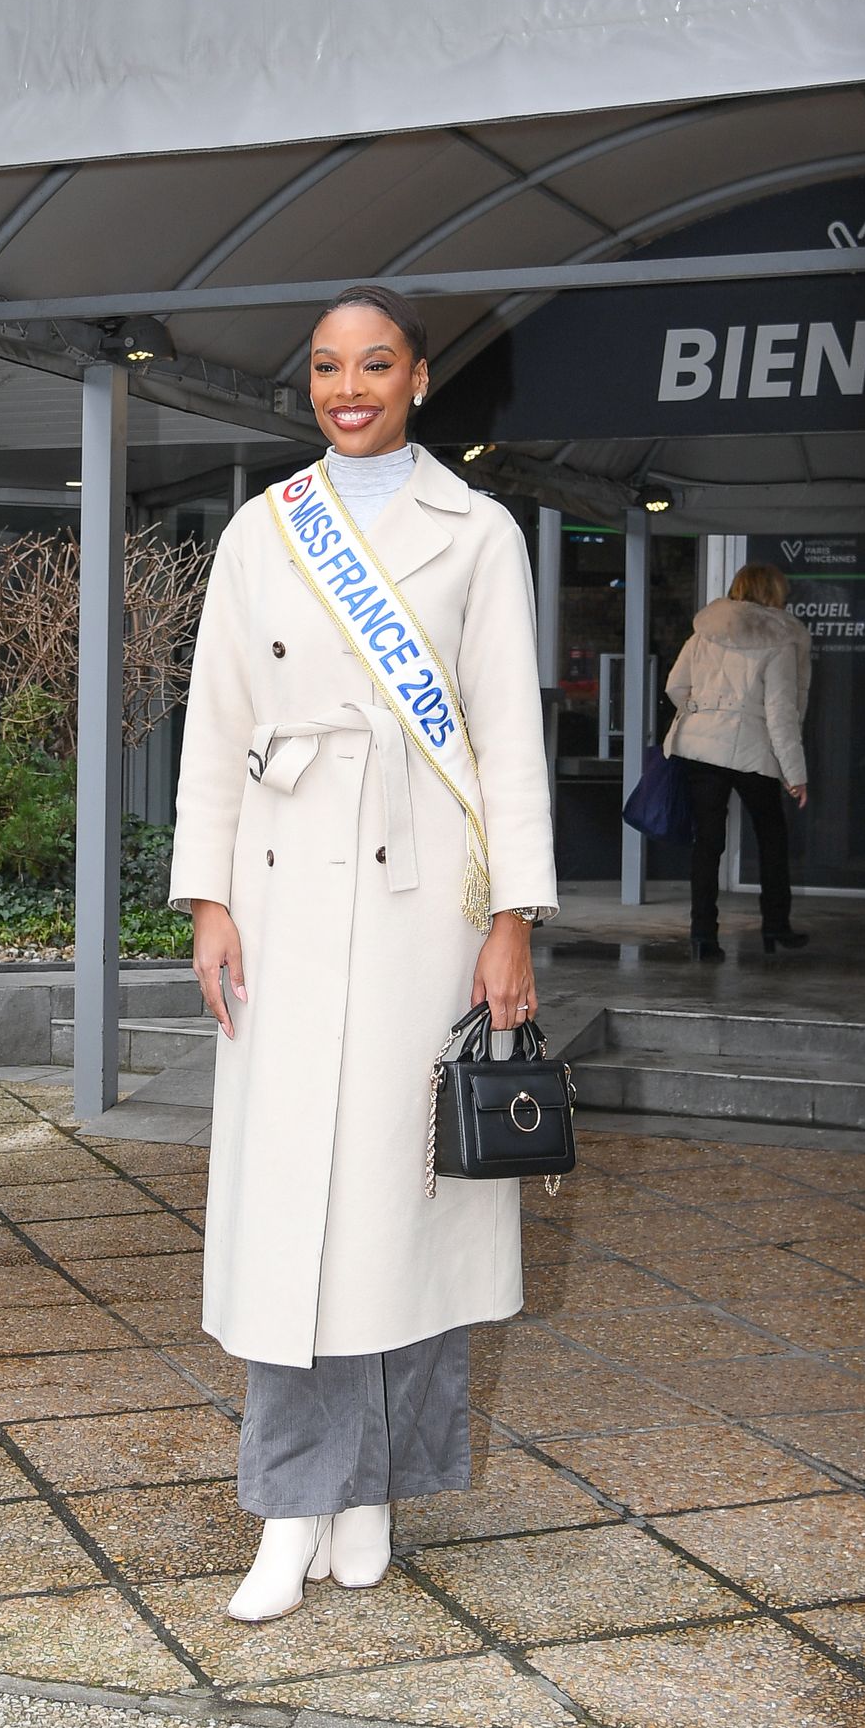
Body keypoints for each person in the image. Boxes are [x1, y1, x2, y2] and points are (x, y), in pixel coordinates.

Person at [168, 284, 557, 1624]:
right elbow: (217, 725)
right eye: (328, 366)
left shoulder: (479, 533)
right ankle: (291, 1504)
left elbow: (509, 739)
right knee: (293, 1219)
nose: (348, 386)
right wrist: (208, 901)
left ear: (419, 376)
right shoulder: (263, 531)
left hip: (420, 915)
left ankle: (376, 1483)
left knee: (407, 1212)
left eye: (374, 364)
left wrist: (512, 921)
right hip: (279, 904)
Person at [664, 562, 811, 961]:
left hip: (702, 749)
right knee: (771, 836)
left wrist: (704, 714)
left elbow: (675, 686)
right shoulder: (778, 639)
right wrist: (794, 774)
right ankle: (776, 925)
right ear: (774, 592)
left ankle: (703, 935)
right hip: (752, 749)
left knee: (708, 843)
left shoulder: (705, 631)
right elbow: (781, 710)